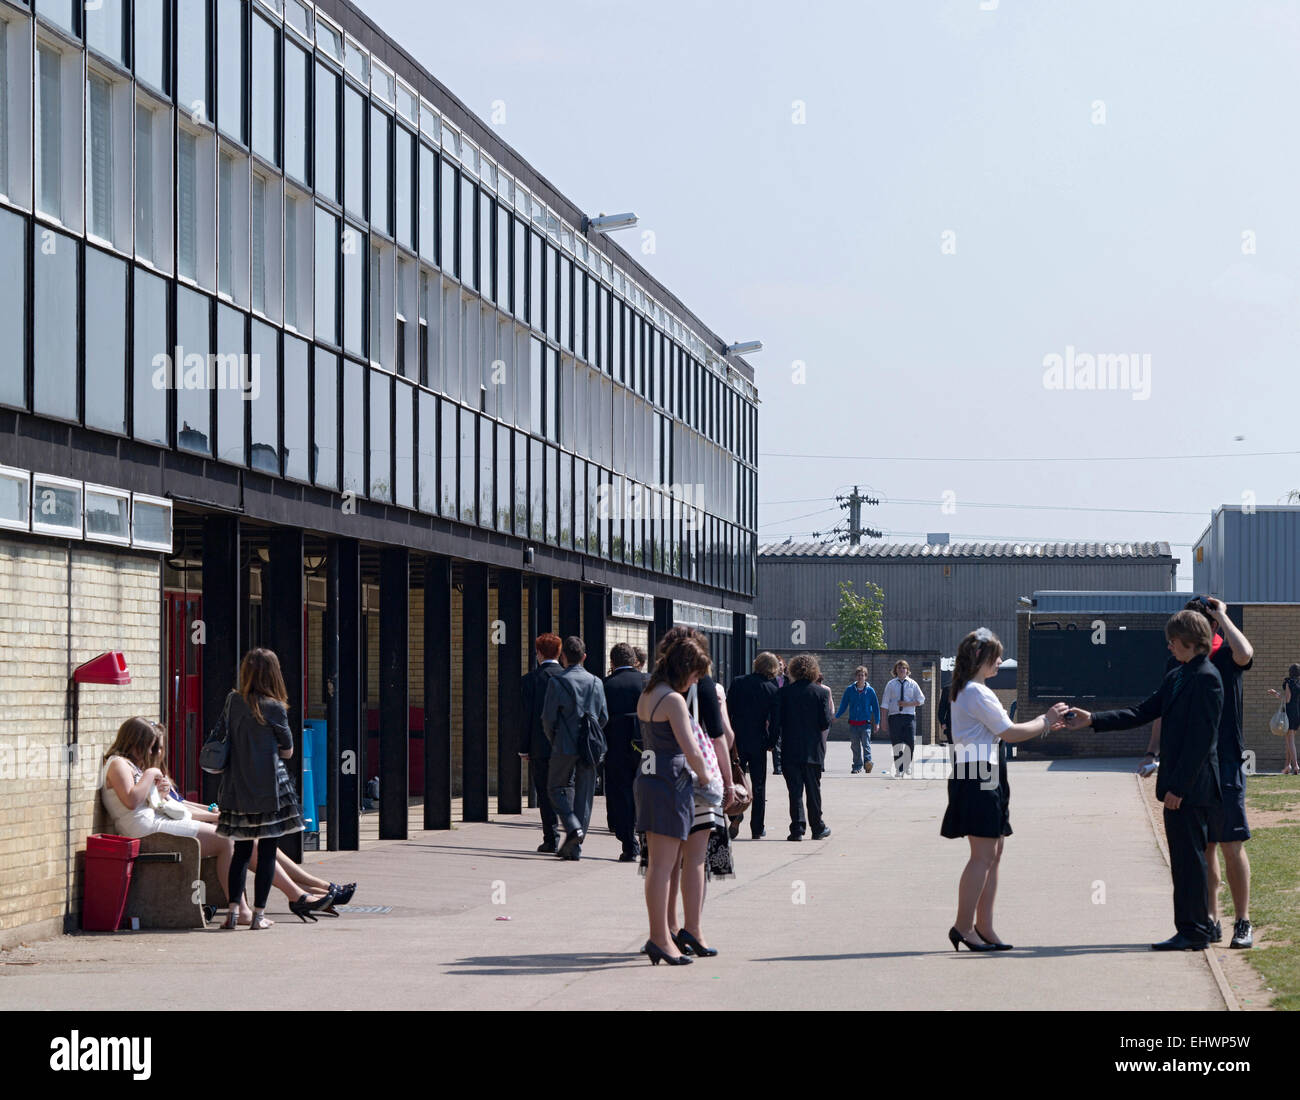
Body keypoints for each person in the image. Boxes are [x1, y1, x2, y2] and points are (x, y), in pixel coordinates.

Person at [1065, 610, 1224, 950]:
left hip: (1191, 789)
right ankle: (1190, 928)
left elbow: (1202, 740)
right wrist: (1092, 719)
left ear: (1191, 642)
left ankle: (1196, 931)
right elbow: (1141, 713)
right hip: (1178, 786)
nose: (1169, 647)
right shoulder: (1177, 676)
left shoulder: (1207, 677)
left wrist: (1179, 787)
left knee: (1191, 860)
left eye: (1173, 641)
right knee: (1182, 860)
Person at [100, 718, 336, 926]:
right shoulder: (118, 763)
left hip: (155, 822)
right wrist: (151, 775)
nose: (156, 754)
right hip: (146, 829)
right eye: (152, 747)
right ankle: (263, 904)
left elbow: (149, 802)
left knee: (238, 838)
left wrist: (160, 792)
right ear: (136, 743)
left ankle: (292, 895)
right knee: (227, 839)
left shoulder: (133, 766)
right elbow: (131, 801)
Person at [942, 629, 1069, 951]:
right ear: (980, 658)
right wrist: (1046, 718)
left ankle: (982, 926)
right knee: (983, 856)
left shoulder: (967, 690)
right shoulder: (976, 693)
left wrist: (1042, 725)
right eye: (995, 655)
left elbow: (1001, 733)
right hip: (980, 774)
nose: (1000, 660)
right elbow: (1010, 732)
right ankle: (963, 926)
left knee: (992, 854)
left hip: (978, 771)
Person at [1142, 599, 1255, 948]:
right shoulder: (1177, 664)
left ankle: (1243, 921)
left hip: (1226, 762)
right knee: (1203, 848)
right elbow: (1161, 710)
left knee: (1230, 844)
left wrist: (1221, 613)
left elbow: (1246, 653)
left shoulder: (1224, 657)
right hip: (1195, 769)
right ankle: (1210, 919)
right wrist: (1153, 749)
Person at [218, 648, 330, 929]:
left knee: (241, 852)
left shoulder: (233, 701)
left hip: (236, 788)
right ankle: (258, 916)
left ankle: (232, 912)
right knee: (267, 852)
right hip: (269, 789)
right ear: (274, 674)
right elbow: (289, 750)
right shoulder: (274, 707)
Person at [634, 628, 714, 965]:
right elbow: (692, 749)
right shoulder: (673, 700)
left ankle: (662, 936)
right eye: (695, 674)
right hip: (671, 781)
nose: (696, 682)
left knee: (658, 865)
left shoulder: (649, 693)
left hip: (649, 777)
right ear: (685, 669)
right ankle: (659, 938)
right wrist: (709, 779)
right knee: (665, 867)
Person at [542, 635, 609, 861]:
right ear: (584, 657)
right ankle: (576, 847)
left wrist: (555, 739)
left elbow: (548, 719)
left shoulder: (557, 682)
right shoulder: (597, 682)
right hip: (590, 747)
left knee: (554, 788)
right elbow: (603, 717)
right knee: (584, 796)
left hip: (564, 744)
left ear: (563, 657)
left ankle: (572, 827)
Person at [771, 654, 833, 841]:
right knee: (814, 790)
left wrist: (771, 741)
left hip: (790, 749)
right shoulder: (821, 693)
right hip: (813, 750)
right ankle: (817, 826)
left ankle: (797, 828)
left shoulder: (783, 693)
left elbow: (776, 722)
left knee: (795, 791)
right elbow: (824, 723)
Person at [727, 652, 781, 839]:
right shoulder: (772, 689)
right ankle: (757, 828)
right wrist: (772, 742)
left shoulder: (738, 682)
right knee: (759, 785)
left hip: (738, 739)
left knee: (735, 781)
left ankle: (735, 814)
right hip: (759, 740)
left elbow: (727, 710)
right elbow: (775, 721)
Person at [519, 633, 564, 853]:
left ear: (538, 653)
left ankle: (551, 837)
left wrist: (524, 748)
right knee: (566, 790)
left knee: (545, 794)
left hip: (540, 747)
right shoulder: (567, 677)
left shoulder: (530, 680)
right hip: (567, 747)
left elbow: (525, 717)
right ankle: (574, 831)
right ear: (559, 653)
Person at [603, 643, 648, 862]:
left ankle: (629, 845)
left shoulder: (606, 684)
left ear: (612, 662)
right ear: (634, 661)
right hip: (647, 749)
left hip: (616, 749)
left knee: (621, 794)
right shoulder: (647, 682)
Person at [879, 660, 925, 776]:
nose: (901, 670)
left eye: (903, 668)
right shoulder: (891, 684)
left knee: (910, 742)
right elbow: (884, 703)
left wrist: (907, 704)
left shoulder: (913, 684)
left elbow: (921, 700)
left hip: (909, 717)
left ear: (907, 670)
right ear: (895, 670)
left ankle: (907, 764)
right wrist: (883, 720)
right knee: (896, 743)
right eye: (899, 668)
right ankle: (899, 769)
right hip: (894, 717)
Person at [835, 667, 880, 774]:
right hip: (853, 724)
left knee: (866, 745)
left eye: (862, 675)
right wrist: (836, 716)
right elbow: (843, 705)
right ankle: (857, 766)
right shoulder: (849, 690)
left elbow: (876, 707)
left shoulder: (870, 691)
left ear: (866, 677)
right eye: (858, 675)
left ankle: (868, 763)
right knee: (855, 746)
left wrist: (877, 722)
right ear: (856, 677)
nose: (860, 677)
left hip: (865, 724)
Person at [1267, 663, 1300, 775]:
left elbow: (1287, 699)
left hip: (1290, 713)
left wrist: (1275, 693)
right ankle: (1287, 766)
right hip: (1298, 713)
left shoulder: (1288, 682)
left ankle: (1295, 766)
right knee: (1289, 741)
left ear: (1290, 672)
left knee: (1290, 740)